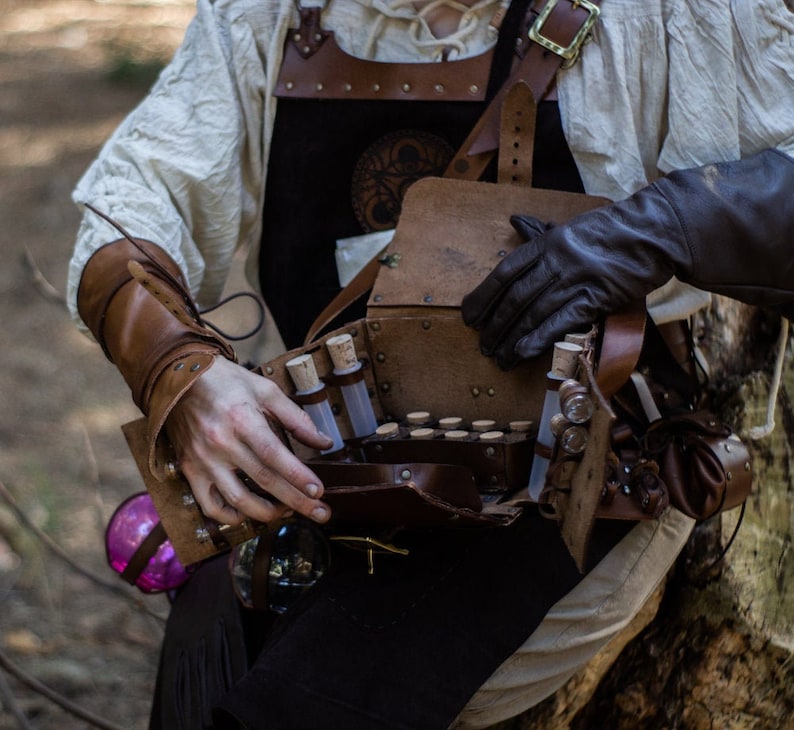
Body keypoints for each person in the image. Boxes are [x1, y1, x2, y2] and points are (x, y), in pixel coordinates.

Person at [67, 1, 794, 728]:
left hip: (570, 471)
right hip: (328, 457)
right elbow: (127, 208)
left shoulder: (658, 12)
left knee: (295, 707)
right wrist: (182, 373)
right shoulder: (271, 14)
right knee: (206, 670)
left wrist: (656, 230)